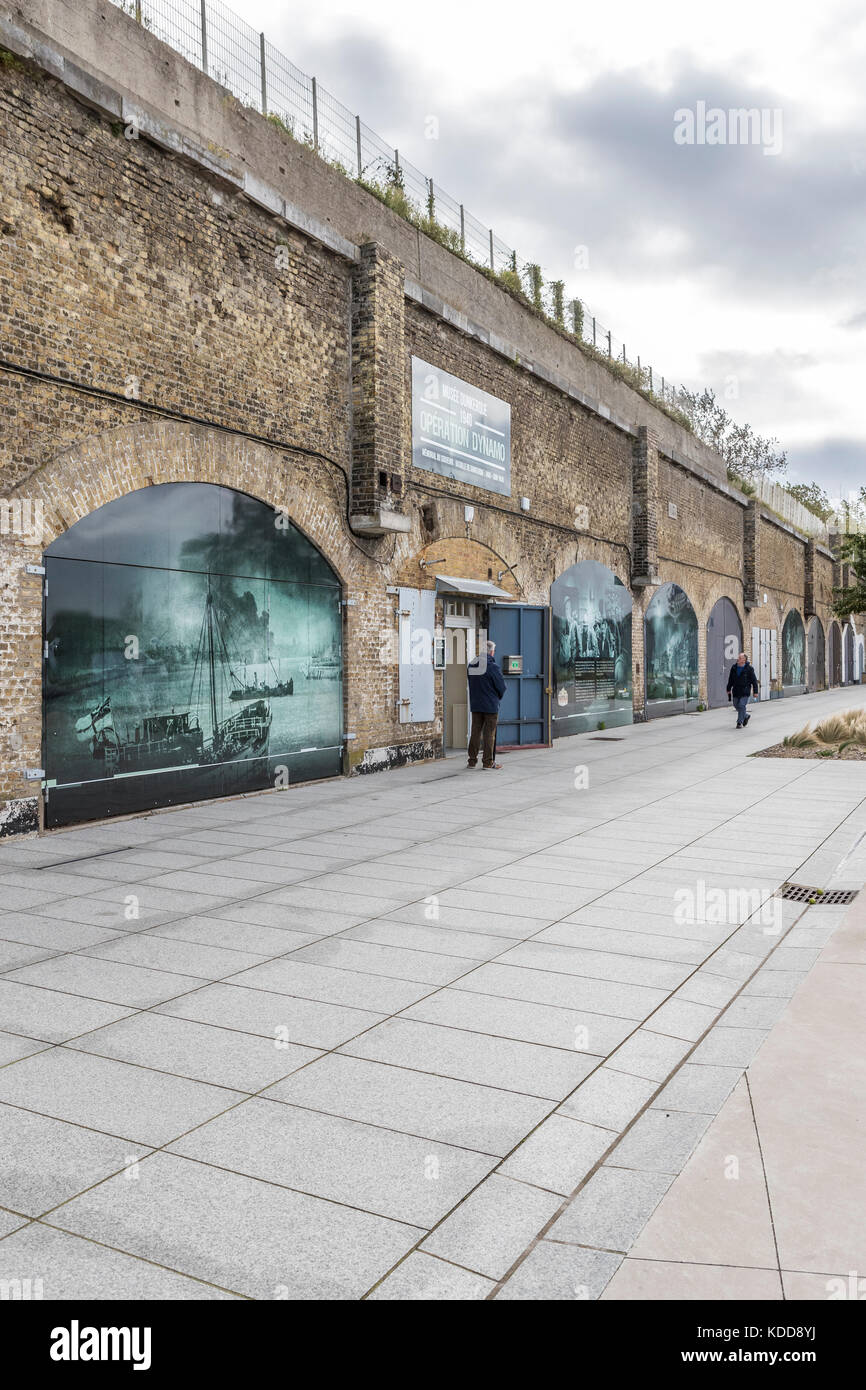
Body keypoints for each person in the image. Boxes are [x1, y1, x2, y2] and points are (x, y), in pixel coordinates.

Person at [467, 638, 507, 769]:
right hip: (490, 705)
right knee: (489, 734)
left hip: (476, 704)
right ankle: (488, 762)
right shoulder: (493, 667)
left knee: (475, 732)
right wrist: (497, 697)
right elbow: (502, 687)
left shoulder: (472, 665)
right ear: (491, 652)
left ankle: (472, 761)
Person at [727, 651, 759, 727]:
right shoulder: (734, 667)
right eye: (738, 657)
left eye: (740, 658)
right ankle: (746, 716)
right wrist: (728, 689)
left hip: (745, 690)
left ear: (744, 660)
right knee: (736, 705)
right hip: (736, 690)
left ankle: (739, 722)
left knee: (741, 705)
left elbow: (754, 681)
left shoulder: (749, 669)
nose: (738, 659)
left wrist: (755, 692)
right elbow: (730, 679)